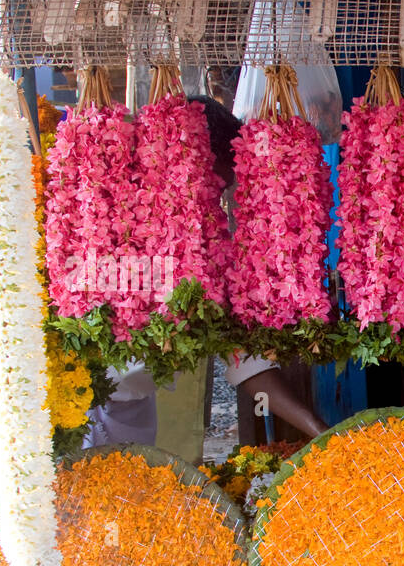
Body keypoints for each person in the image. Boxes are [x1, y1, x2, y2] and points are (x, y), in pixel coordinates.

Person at [85, 97, 328, 448]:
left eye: (221, 191)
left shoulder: (206, 251)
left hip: (130, 411)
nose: (216, 203)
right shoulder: (114, 222)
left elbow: (243, 360)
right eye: (212, 186)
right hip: (72, 407)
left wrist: (320, 433)